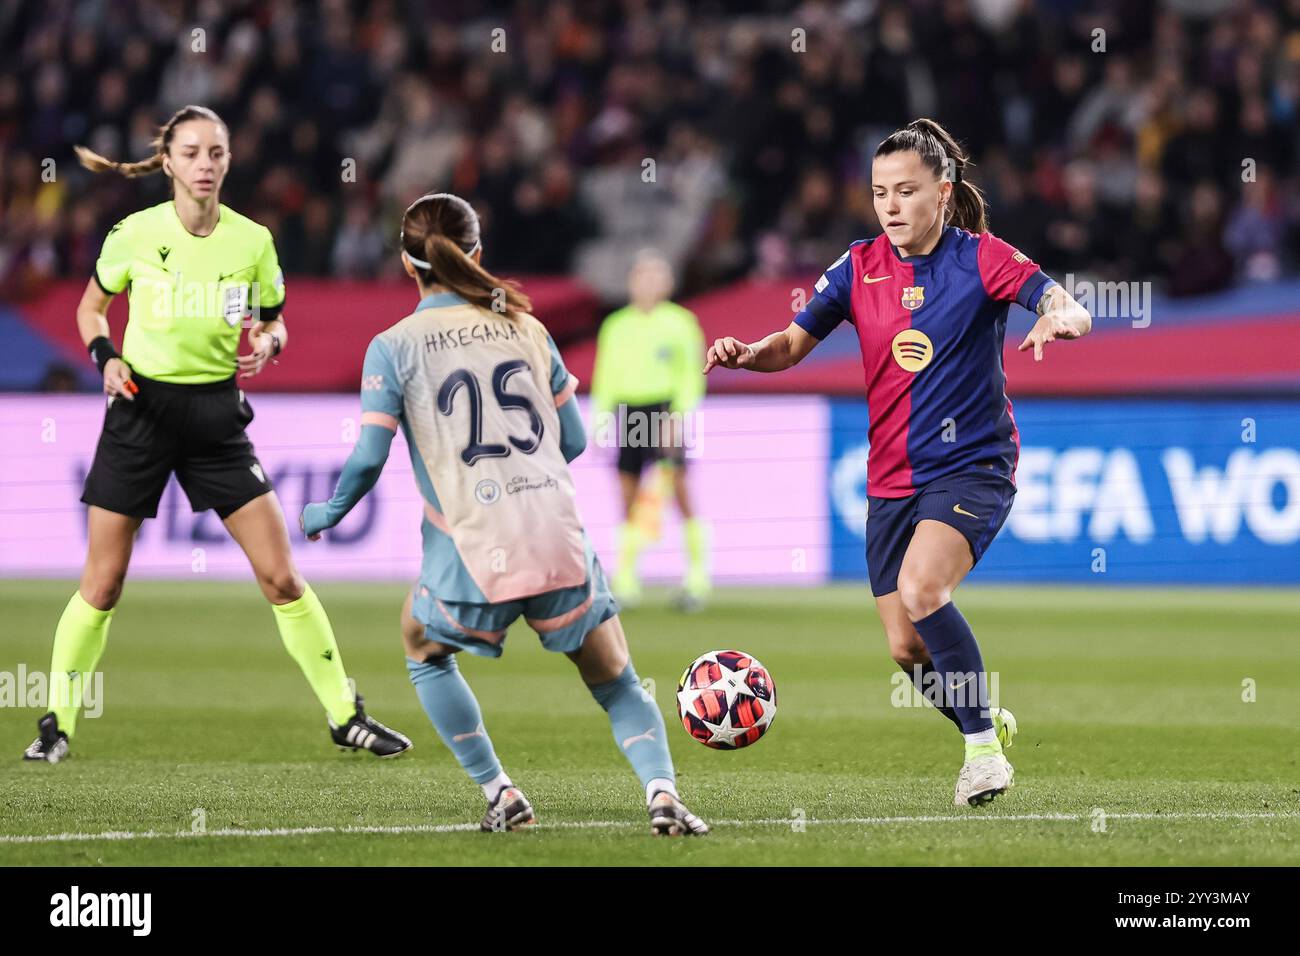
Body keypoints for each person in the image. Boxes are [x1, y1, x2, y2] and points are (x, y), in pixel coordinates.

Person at [704, 118, 1092, 806]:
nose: (889, 205)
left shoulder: (983, 258)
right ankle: (984, 723)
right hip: (889, 481)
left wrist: (1061, 318)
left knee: (922, 591)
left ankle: (981, 755)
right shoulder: (857, 267)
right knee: (906, 649)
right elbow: (791, 345)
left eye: (905, 191)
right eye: (880, 191)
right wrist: (746, 353)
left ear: (941, 194)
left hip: (973, 467)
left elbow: (1065, 303)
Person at [301, 193, 710, 836]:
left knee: (422, 646)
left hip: (471, 545)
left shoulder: (393, 346)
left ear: (409, 266)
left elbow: (367, 456)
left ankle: (500, 791)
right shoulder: (526, 324)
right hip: (553, 532)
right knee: (618, 683)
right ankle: (662, 794)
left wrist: (326, 511)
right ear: (478, 253)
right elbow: (572, 442)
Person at [23, 105, 410, 763]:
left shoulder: (252, 241)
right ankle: (57, 723)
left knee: (281, 577)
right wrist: (105, 359)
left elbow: (275, 321)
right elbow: (91, 307)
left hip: (214, 419)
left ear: (228, 163)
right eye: (192, 153)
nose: (205, 164)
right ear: (168, 162)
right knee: (104, 581)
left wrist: (270, 343)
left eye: (216, 153)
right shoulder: (134, 235)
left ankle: (346, 715)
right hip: (140, 411)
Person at [590, 250, 709, 609]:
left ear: (668, 282)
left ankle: (697, 578)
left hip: (664, 409)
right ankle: (626, 579)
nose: (648, 282)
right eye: (642, 275)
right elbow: (605, 375)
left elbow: (692, 374)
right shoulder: (616, 325)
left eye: (656, 275)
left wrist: (680, 415)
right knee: (627, 490)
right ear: (631, 281)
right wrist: (601, 419)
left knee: (678, 489)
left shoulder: (681, 323)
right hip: (629, 410)